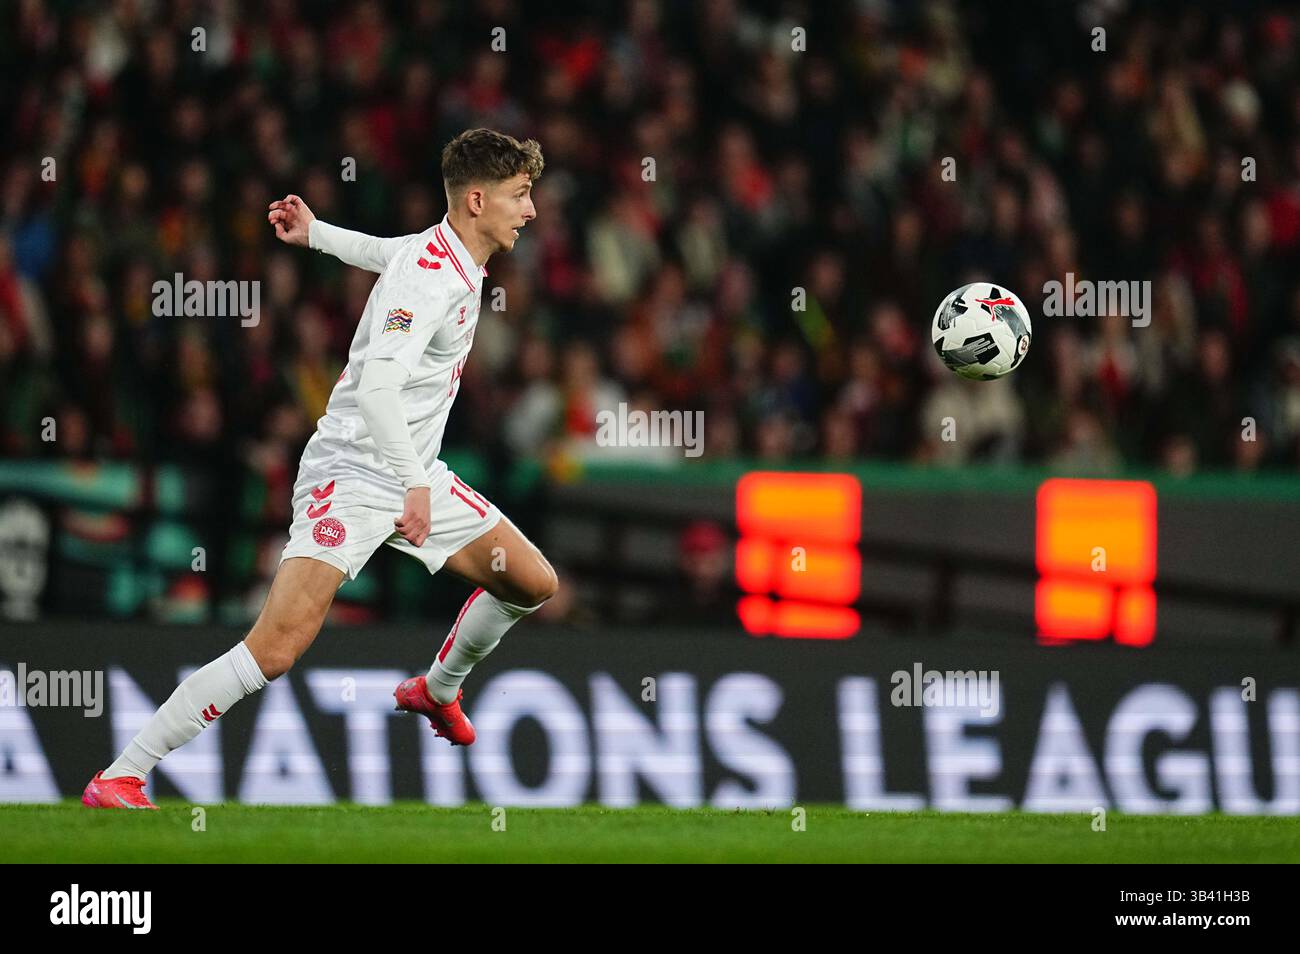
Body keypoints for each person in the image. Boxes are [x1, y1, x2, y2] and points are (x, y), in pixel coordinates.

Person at [83, 129, 558, 809]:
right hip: (358, 474)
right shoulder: (430, 279)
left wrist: (315, 234)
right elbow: (375, 391)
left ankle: (437, 689)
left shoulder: (443, 254)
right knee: (275, 649)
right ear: (477, 201)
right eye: (520, 195)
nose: (532, 210)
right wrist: (416, 485)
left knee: (533, 581)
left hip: (412, 468)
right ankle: (122, 774)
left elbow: (380, 251)